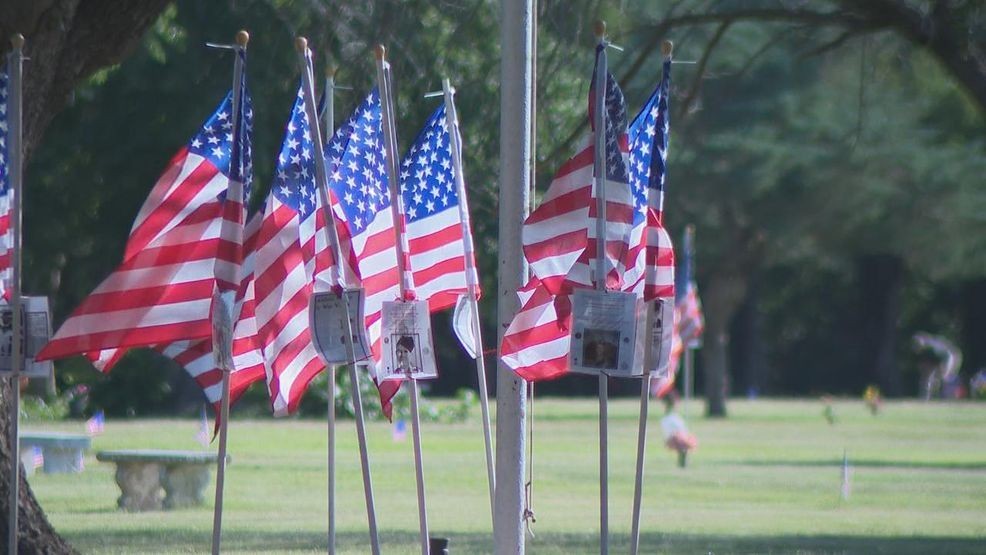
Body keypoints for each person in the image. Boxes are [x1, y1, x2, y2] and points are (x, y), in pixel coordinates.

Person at [913, 332, 962, 400]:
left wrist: (944, 369)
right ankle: (928, 396)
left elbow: (949, 353)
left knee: (946, 377)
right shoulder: (928, 349)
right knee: (931, 379)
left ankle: (949, 395)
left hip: (950, 357)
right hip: (943, 359)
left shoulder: (934, 343)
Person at [660, 393, 698, 468]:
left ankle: (683, 463)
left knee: (685, 442)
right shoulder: (668, 418)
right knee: (682, 443)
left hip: (680, 436)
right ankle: (683, 463)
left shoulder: (674, 417)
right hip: (674, 438)